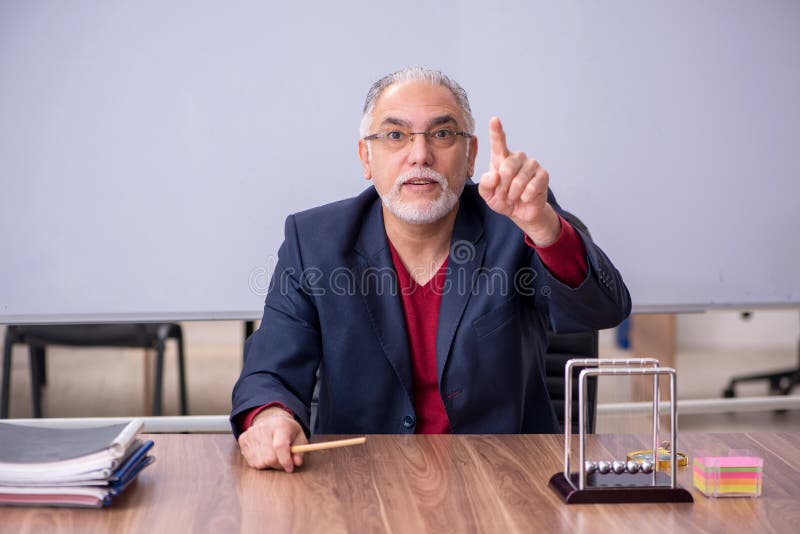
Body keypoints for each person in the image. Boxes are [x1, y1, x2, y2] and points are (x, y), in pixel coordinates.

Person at [232, 67, 631, 472]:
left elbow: (602, 311)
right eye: (395, 136)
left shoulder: (516, 224)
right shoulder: (314, 241)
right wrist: (270, 417)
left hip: (504, 478)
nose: (420, 154)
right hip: (361, 477)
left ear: (471, 155)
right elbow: (270, 368)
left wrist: (545, 228)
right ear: (365, 157)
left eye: (441, 134)